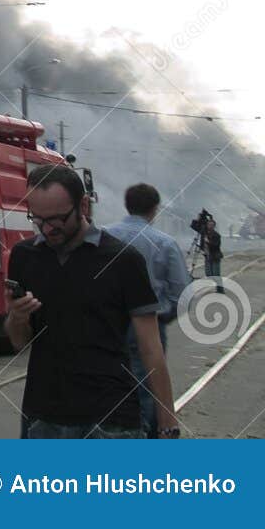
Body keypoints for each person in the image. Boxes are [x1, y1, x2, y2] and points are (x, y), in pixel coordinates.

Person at [7, 164, 178, 439]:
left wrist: (167, 420)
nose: (47, 229)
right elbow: (19, 342)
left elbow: (150, 347)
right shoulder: (24, 257)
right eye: (37, 219)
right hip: (44, 417)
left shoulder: (124, 260)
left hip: (112, 419)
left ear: (83, 205)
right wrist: (17, 317)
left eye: (57, 219)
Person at [104, 183, 191, 437]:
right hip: (150, 324)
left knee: (108, 383)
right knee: (148, 385)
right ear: (155, 210)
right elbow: (181, 293)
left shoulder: (102, 237)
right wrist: (162, 317)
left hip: (105, 324)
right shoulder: (164, 243)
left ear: (126, 204)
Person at [203, 220, 224, 292]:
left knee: (216, 274)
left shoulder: (217, 235)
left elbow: (216, 245)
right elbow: (194, 226)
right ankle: (218, 285)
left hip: (215, 256)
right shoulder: (205, 234)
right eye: (209, 224)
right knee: (208, 274)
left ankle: (220, 289)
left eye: (211, 225)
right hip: (207, 256)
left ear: (214, 226)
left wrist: (208, 242)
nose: (210, 226)